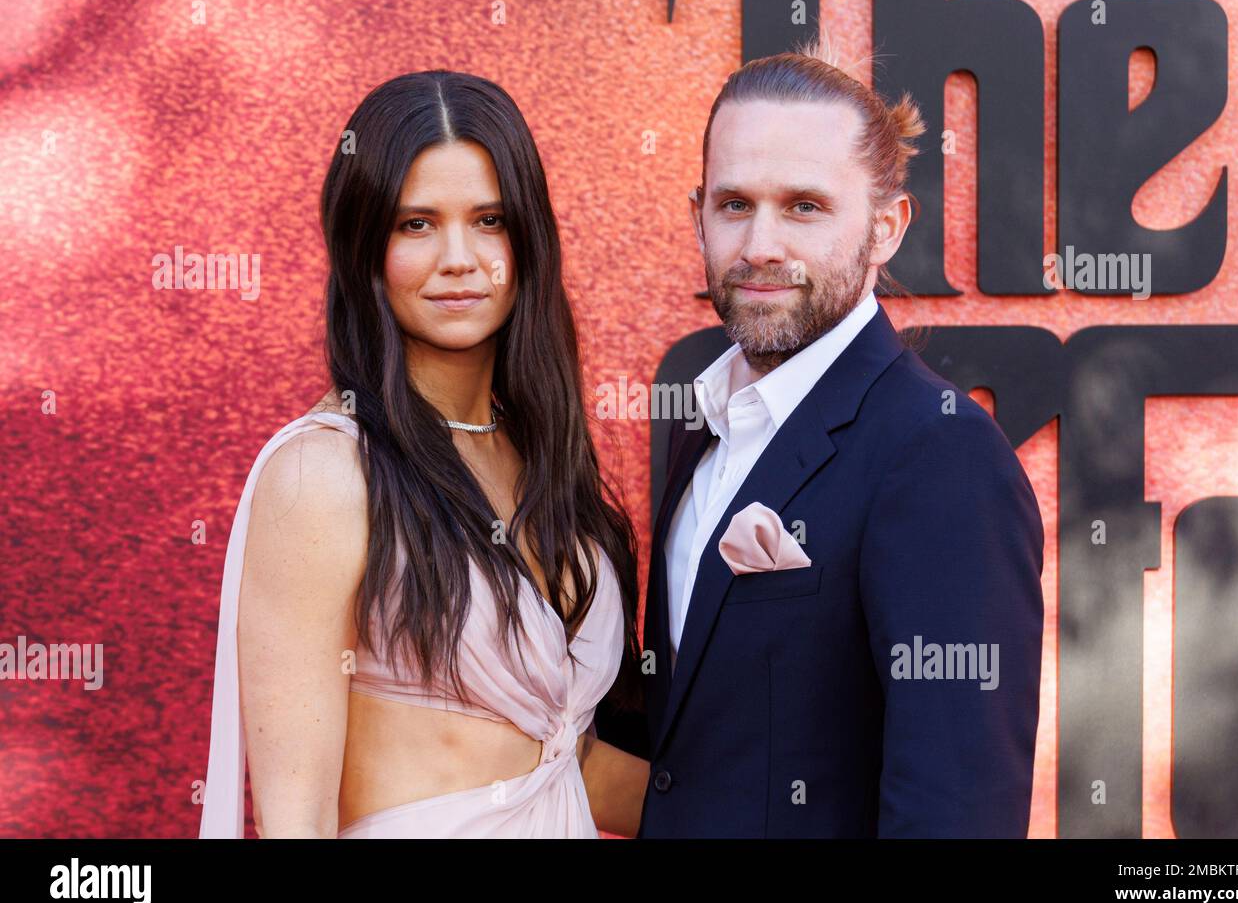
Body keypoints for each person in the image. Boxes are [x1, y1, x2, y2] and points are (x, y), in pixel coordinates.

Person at [598, 40, 1045, 837]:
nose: (761, 245)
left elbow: (956, 814)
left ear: (886, 226)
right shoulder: (702, 427)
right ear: (696, 214)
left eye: (804, 205)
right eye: (735, 204)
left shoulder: (941, 456)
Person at [199, 70, 649, 838]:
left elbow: (569, 765)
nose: (459, 258)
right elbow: (295, 816)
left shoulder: (545, 466)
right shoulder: (325, 475)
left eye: (489, 219)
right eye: (415, 224)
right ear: (363, 243)